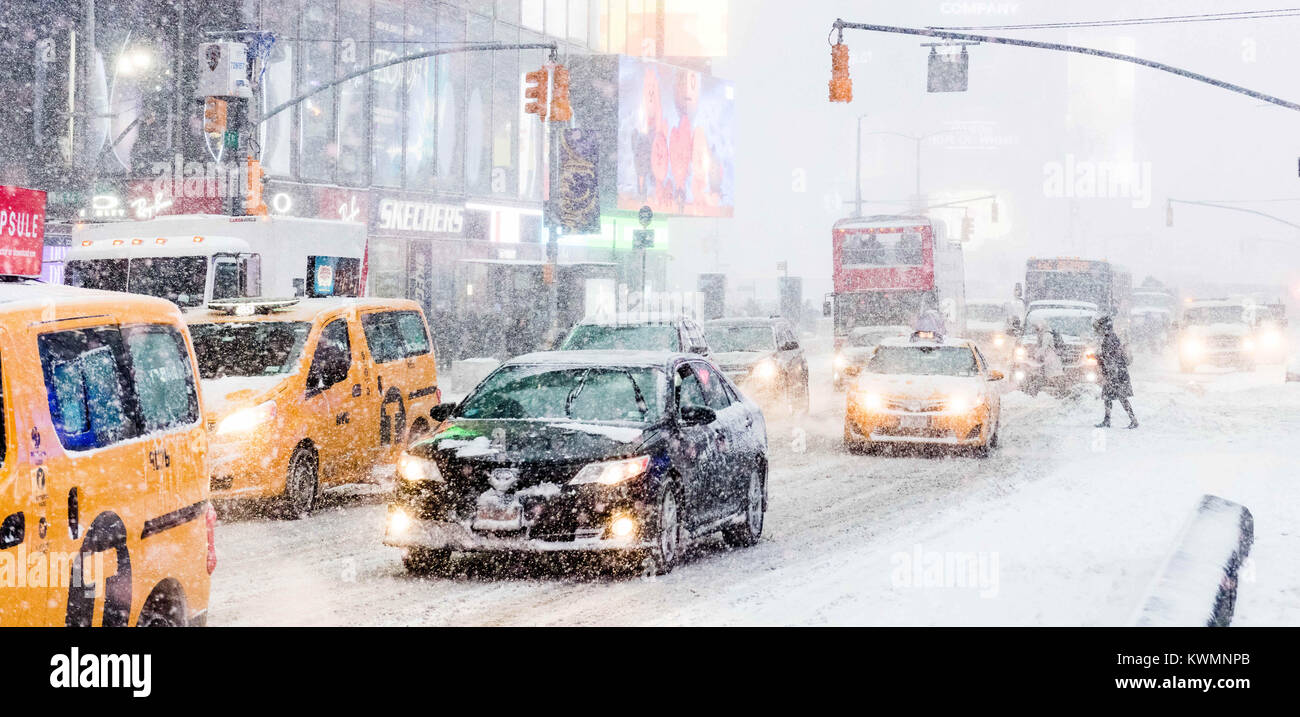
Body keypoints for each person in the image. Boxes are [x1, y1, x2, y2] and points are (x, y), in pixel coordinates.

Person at [1093, 316, 1138, 429]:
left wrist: (1098, 358)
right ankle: (1108, 420)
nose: (1099, 331)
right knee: (1108, 396)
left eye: (1100, 328)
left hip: (1115, 374)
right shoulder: (1111, 337)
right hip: (1116, 373)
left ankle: (1133, 420)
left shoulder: (1109, 339)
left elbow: (1110, 358)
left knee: (1120, 397)